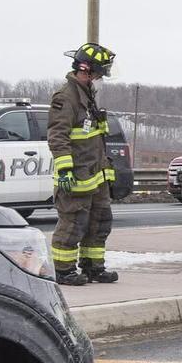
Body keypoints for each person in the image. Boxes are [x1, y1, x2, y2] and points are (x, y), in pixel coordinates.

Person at [48, 43, 120, 286]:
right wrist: (65, 169)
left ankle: (93, 267)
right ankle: (64, 270)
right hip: (76, 176)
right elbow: (57, 136)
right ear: (86, 70)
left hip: (95, 174)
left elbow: (93, 136)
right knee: (73, 223)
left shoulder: (87, 95)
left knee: (100, 221)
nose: (101, 78)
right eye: (99, 73)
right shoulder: (66, 97)